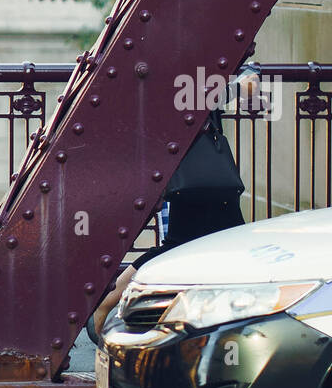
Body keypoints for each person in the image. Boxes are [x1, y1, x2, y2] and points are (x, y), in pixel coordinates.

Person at [87, 61, 261, 343]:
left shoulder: (172, 63)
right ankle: (111, 302)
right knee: (211, 244)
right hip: (200, 177)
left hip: (190, 175)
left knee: (188, 244)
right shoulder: (187, 72)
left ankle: (113, 300)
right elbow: (235, 90)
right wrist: (247, 75)